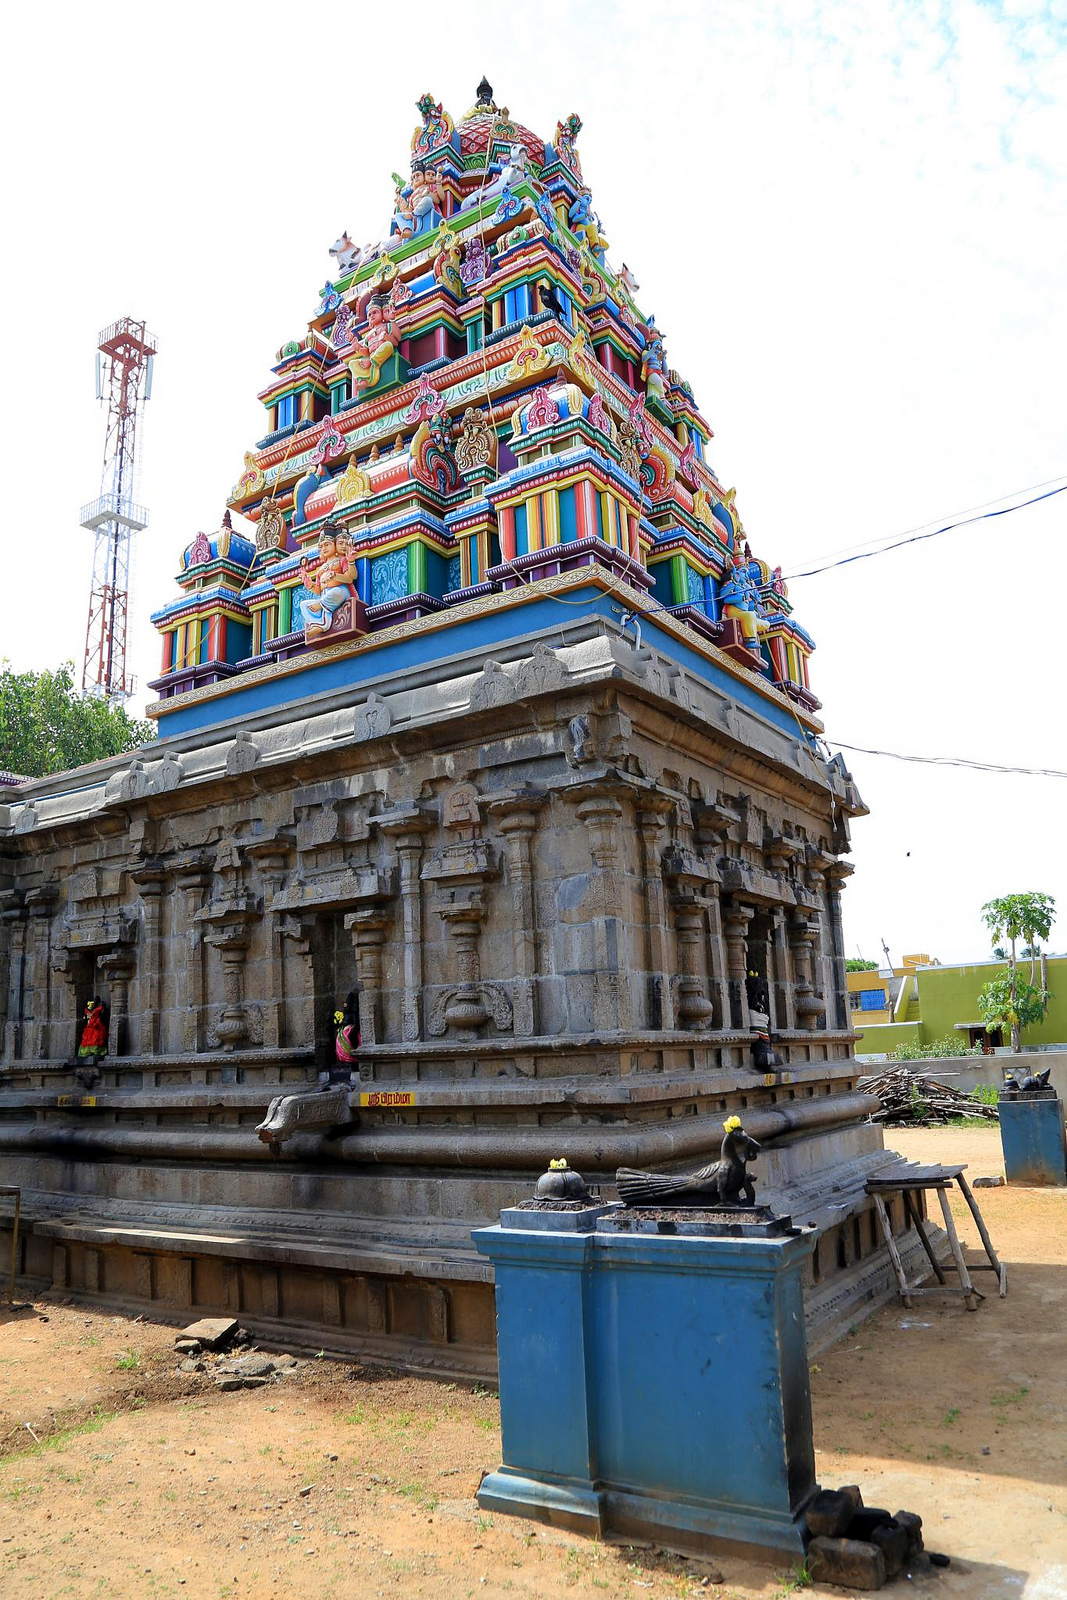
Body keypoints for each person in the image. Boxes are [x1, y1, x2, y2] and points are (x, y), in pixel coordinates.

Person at [299, 524, 358, 636]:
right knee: (303, 605)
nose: (324, 548)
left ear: (335, 545)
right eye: (321, 547)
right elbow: (318, 590)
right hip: (325, 595)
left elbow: (351, 578)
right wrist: (309, 584)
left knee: (336, 592)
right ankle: (318, 623)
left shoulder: (341, 561)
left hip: (340, 591)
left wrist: (336, 574)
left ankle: (323, 616)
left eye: (327, 544)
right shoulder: (320, 570)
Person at [78, 997, 109, 1063]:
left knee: (96, 1038)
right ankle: (87, 1051)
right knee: (87, 1039)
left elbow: (102, 1017)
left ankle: (96, 1051)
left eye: (95, 1002)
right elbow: (86, 1017)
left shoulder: (100, 1008)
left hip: (97, 1026)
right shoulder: (89, 1009)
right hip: (89, 1027)